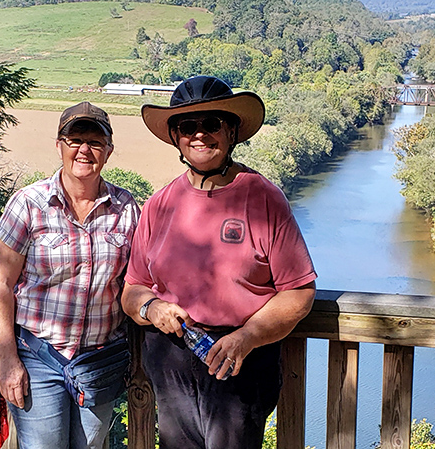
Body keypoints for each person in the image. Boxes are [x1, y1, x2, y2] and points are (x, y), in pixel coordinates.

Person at [121, 75, 317, 449]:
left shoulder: (263, 198)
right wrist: (152, 306)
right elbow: (132, 289)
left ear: (231, 132)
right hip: (171, 358)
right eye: (187, 127)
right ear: (175, 138)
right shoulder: (159, 204)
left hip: (239, 363)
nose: (199, 135)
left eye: (211, 124)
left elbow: (299, 292)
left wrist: (248, 337)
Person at [0, 102, 140, 449]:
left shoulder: (126, 208)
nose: (84, 149)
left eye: (95, 141)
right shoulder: (28, 203)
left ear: (109, 151)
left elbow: (141, 278)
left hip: (100, 361)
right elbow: (0, 284)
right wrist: (9, 359)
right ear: (59, 145)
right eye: (75, 139)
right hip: (38, 356)